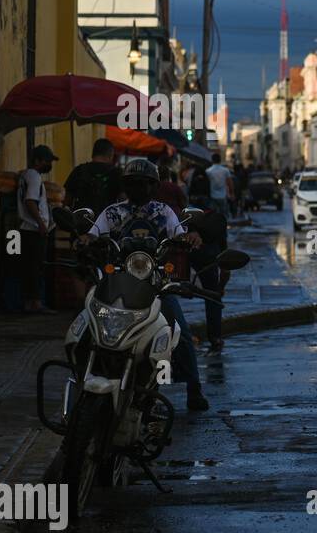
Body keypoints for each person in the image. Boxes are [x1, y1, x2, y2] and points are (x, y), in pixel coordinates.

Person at [83, 158, 211, 411]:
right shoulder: (112, 213)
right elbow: (93, 233)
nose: (139, 188)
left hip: (156, 285)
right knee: (87, 327)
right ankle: (82, 379)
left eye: (145, 184)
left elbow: (179, 234)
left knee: (179, 333)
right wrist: (85, 239)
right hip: (116, 283)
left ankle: (193, 388)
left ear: (154, 186)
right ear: (125, 185)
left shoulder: (164, 212)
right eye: (133, 183)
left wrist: (190, 237)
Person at [186, 172, 230, 353]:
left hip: (179, 257)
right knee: (212, 297)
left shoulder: (179, 214)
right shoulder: (217, 218)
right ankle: (215, 337)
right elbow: (225, 257)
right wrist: (221, 287)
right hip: (208, 261)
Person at [18, 144, 58, 314]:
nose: (49, 164)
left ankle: (30, 302)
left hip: (27, 229)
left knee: (31, 267)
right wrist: (42, 224)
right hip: (34, 230)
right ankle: (35, 303)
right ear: (37, 161)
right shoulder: (34, 176)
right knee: (35, 267)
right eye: (47, 161)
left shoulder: (26, 175)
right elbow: (30, 201)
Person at [63, 138, 122, 217]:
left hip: (81, 223)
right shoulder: (117, 173)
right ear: (111, 155)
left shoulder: (79, 170)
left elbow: (67, 201)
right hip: (107, 224)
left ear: (92, 154)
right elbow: (123, 200)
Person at [205, 154, 234, 219]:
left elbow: (206, 183)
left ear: (212, 160)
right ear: (220, 160)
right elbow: (230, 183)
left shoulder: (208, 171)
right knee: (223, 214)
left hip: (212, 195)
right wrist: (232, 193)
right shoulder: (225, 170)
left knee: (213, 215)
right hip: (223, 195)